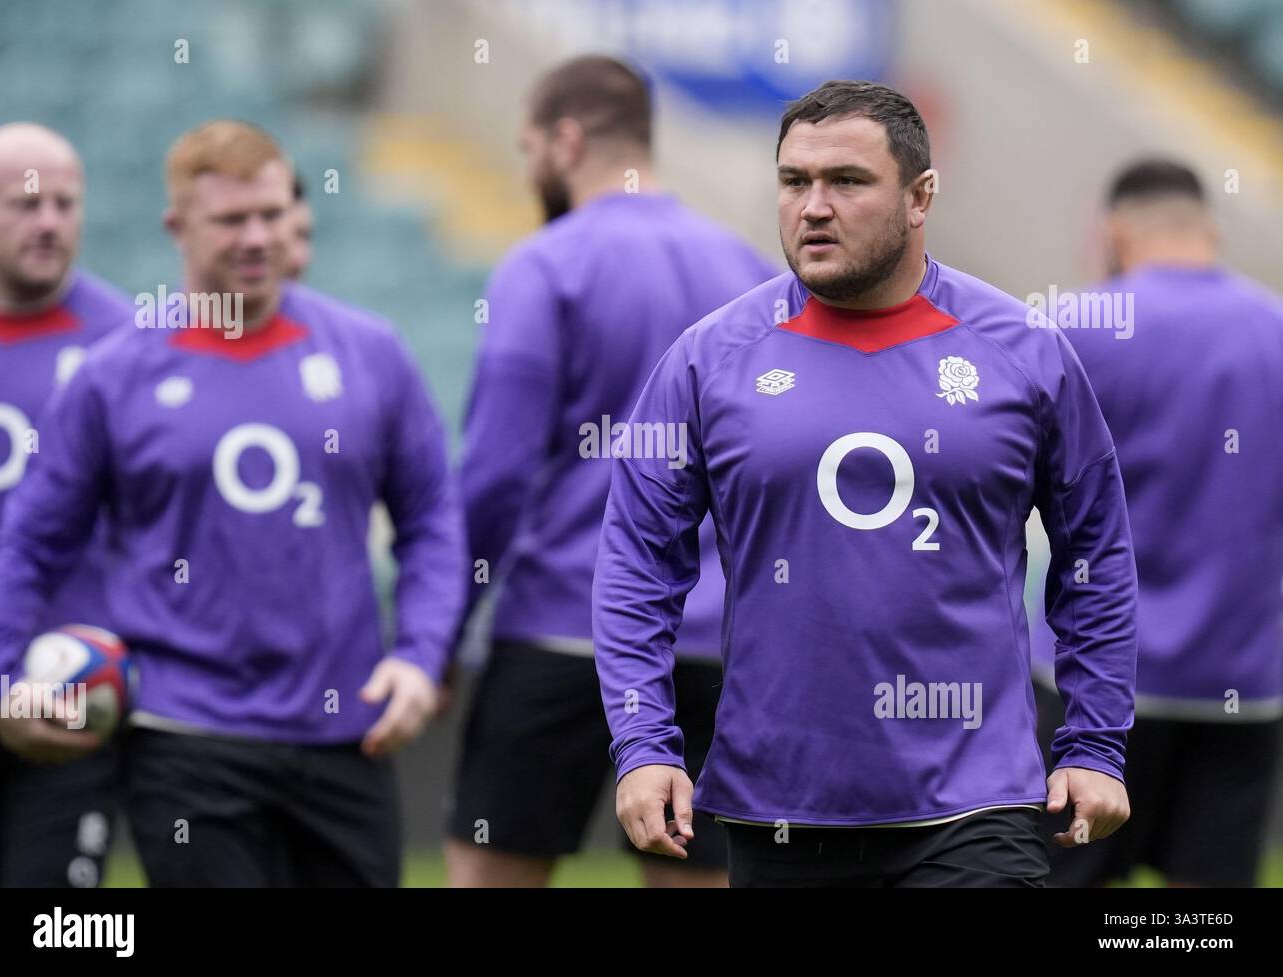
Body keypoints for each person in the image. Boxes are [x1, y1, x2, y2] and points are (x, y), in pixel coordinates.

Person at [594, 80, 1138, 887]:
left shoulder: (1025, 353)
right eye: (794, 181)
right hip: (778, 810)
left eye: (846, 181)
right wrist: (643, 744)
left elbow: (1096, 555)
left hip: (976, 808)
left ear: (921, 197)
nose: (813, 205)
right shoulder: (708, 360)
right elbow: (637, 564)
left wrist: (1095, 744)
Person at [0, 120, 465, 887]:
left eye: (272, 216)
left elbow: (433, 521)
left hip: (347, 732)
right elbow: (32, 544)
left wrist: (419, 654)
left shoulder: (371, 351)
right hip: (184, 737)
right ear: (178, 226)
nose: (256, 237)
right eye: (231, 220)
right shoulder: (114, 375)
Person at [444, 55, 775, 888]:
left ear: (565, 139)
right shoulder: (750, 275)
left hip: (563, 632)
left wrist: (439, 636)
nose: (528, 171)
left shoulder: (544, 264)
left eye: (528, 149)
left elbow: (492, 475)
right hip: (710, 646)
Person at [1031, 159, 1283, 887]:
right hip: (1242, 685)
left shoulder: (1077, 325)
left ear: (1113, 231)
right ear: (1208, 229)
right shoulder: (1274, 329)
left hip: (1090, 686)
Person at [0, 122, 133, 888]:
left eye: (66, 204)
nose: (49, 222)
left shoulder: (128, 345)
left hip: (74, 693)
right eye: (26, 204)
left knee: (65, 932)